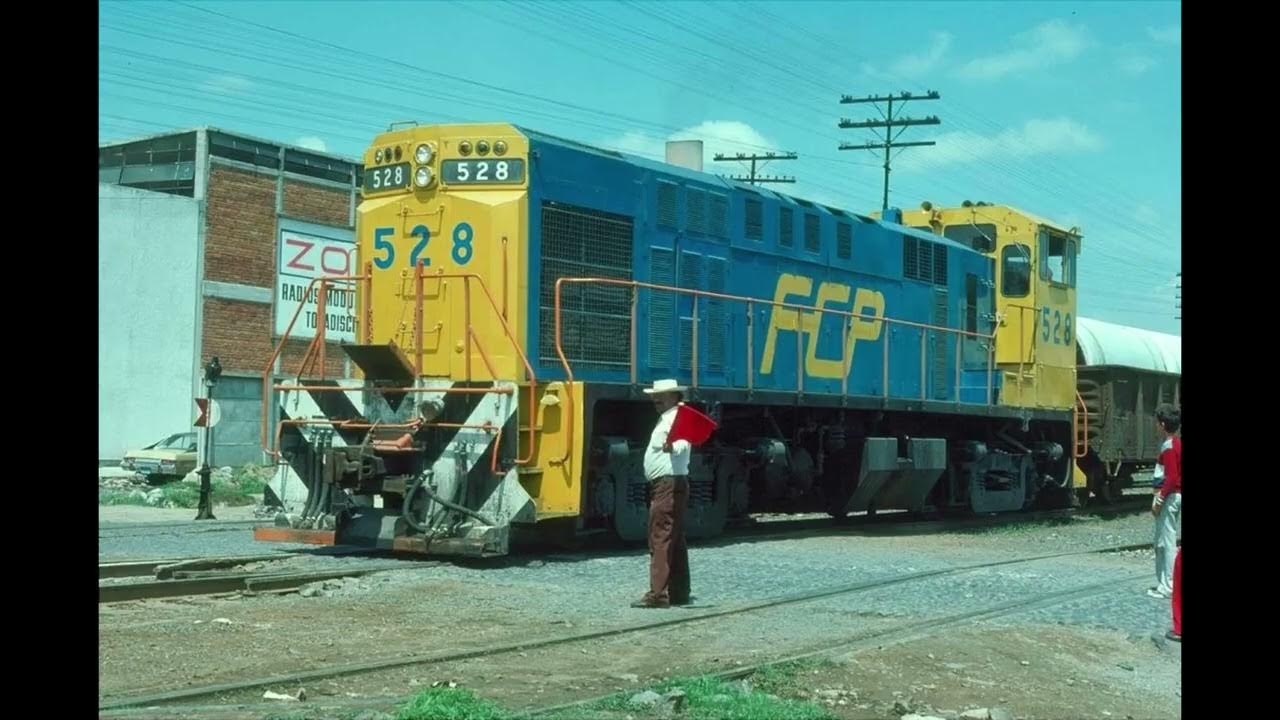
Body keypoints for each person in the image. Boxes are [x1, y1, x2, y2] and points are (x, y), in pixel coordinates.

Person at [632, 379, 692, 609]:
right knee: (674, 538)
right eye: (654, 395)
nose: (655, 399)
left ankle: (658, 595)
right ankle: (680, 592)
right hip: (668, 484)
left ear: (674, 396)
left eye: (661, 395)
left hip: (668, 484)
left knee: (660, 537)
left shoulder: (678, 417)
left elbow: (684, 444)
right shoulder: (669, 417)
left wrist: (672, 447)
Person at [1148, 404, 1181, 599]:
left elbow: (1170, 477)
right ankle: (1166, 583)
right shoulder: (1177, 443)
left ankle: (1167, 586)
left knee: (1166, 542)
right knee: (1166, 540)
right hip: (1174, 497)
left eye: (1157, 423)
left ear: (1162, 425)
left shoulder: (1168, 446)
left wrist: (1159, 501)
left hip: (1169, 497)